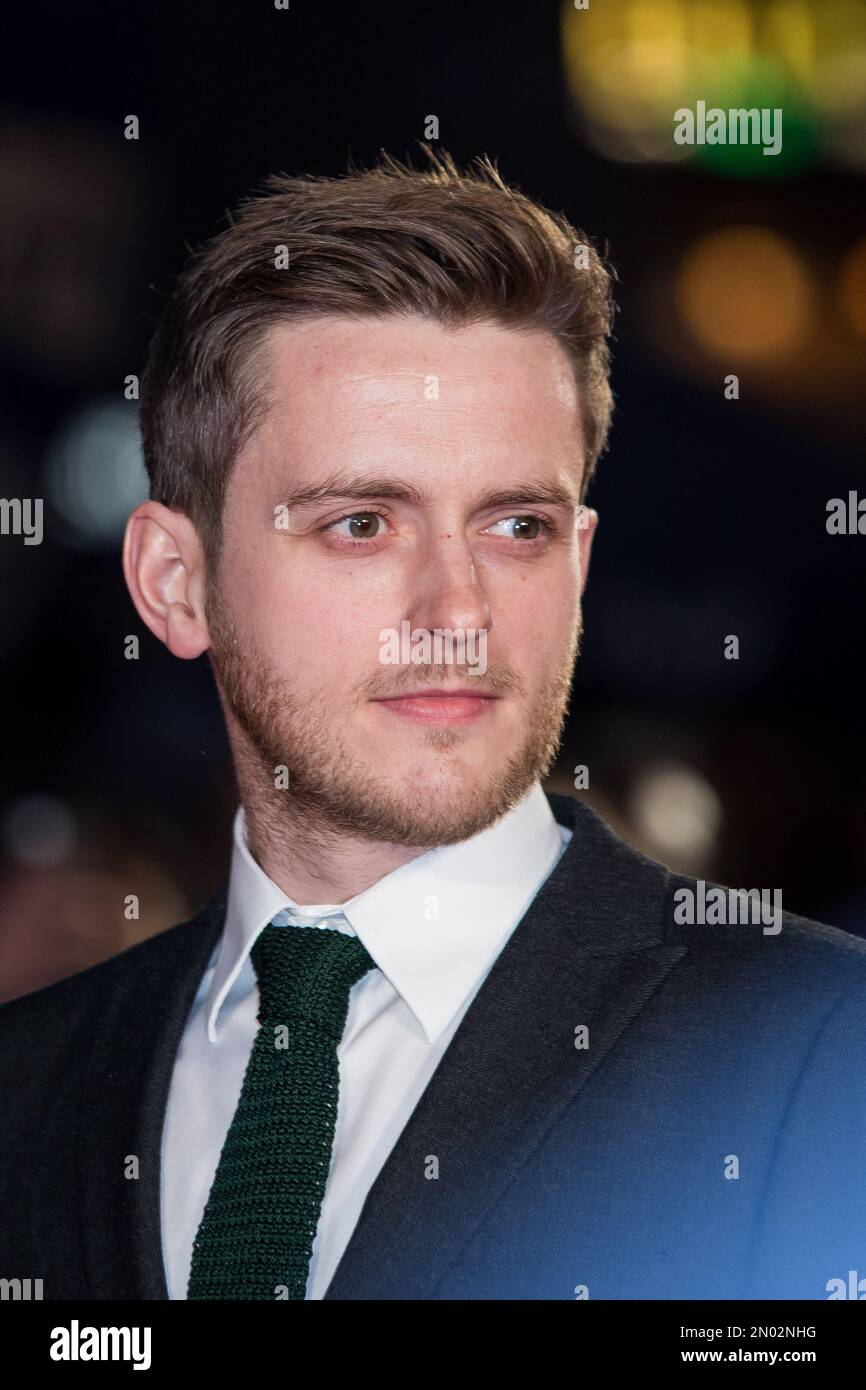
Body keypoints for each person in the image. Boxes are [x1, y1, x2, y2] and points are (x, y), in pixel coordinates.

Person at [2, 150, 865, 1301]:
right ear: (175, 581)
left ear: (578, 563)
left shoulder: (823, 1054)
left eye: (515, 527)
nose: (457, 612)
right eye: (361, 524)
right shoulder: (28, 1085)